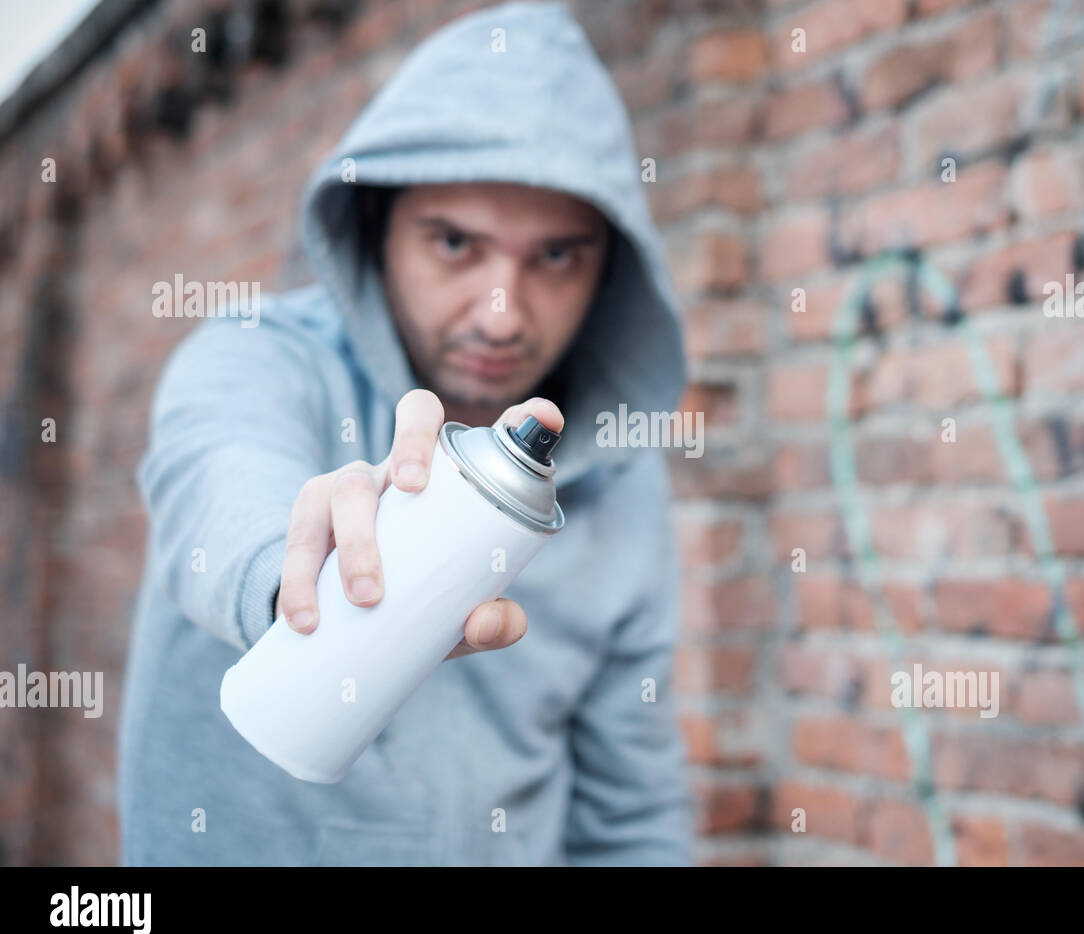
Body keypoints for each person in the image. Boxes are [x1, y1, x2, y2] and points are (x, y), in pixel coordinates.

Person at [117, 1, 693, 866]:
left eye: (556, 256)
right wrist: (298, 569)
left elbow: (630, 817)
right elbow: (221, 479)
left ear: (608, 267)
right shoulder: (259, 360)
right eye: (456, 243)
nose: (501, 316)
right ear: (377, 226)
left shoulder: (623, 483)